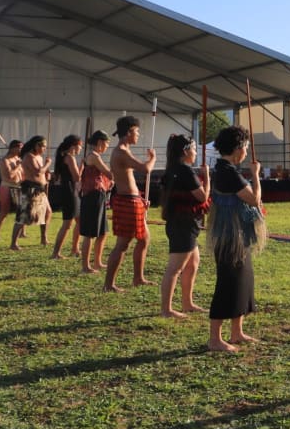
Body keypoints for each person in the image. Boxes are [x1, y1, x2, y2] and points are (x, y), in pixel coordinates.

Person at [206, 125, 266, 352]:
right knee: (228, 284)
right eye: (246, 147)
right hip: (230, 236)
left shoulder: (224, 168)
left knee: (243, 281)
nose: (247, 152)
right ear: (239, 148)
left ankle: (236, 331)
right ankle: (214, 338)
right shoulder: (228, 171)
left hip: (236, 234)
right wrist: (256, 175)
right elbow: (253, 199)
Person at [104, 116, 157, 292]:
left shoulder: (124, 150)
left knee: (144, 239)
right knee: (122, 244)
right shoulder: (121, 152)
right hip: (127, 202)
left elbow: (129, 179)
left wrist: (140, 200)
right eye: (136, 131)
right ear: (128, 133)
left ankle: (138, 278)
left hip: (133, 200)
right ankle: (109, 284)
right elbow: (146, 169)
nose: (138, 135)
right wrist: (153, 158)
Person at [160, 134, 210, 318]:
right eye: (194, 149)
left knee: (193, 263)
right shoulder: (185, 171)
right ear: (185, 151)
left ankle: (187, 303)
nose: (196, 153)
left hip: (182, 223)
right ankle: (166, 309)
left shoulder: (172, 169)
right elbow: (203, 197)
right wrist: (207, 177)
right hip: (183, 224)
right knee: (175, 268)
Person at [79, 131, 113, 274]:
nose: (107, 146)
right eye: (106, 143)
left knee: (103, 231)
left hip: (98, 194)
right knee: (90, 233)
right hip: (92, 195)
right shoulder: (93, 156)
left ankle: (97, 261)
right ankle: (86, 266)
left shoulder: (94, 156)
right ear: (100, 142)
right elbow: (108, 172)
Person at [11, 136, 51, 250]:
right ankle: (13, 243)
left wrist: (47, 174)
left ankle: (44, 238)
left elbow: (42, 173)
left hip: (40, 189)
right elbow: (38, 172)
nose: (44, 148)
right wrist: (48, 164)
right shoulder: (29, 156)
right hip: (30, 189)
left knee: (48, 212)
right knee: (23, 216)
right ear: (36, 145)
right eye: (43, 146)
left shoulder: (39, 157)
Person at [50, 135, 83, 259]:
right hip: (69, 192)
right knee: (67, 224)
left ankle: (75, 248)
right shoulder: (70, 158)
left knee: (79, 221)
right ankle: (56, 253)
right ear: (73, 146)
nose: (81, 148)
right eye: (80, 145)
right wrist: (82, 168)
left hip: (70, 191)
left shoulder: (63, 156)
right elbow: (77, 178)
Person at [0, 140, 23, 241]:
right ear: (13, 148)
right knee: (4, 212)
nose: (21, 149)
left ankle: (22, 232)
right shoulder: (4, 160)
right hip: (7, 186)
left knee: (22, 210)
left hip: (18, 186)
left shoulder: (17, 158)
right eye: (19, 147)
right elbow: (10, 175)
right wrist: (18, 165)